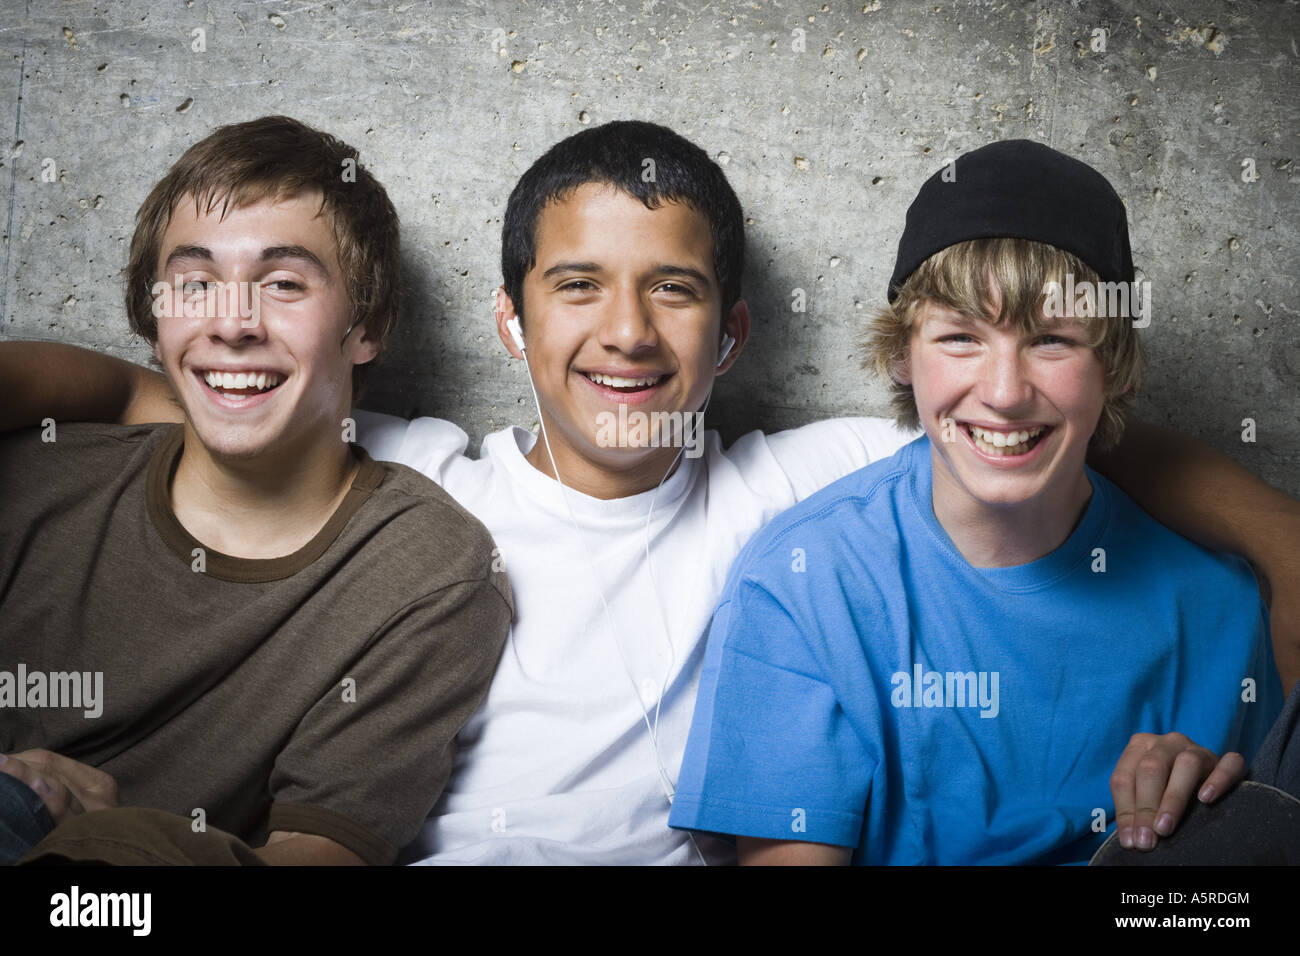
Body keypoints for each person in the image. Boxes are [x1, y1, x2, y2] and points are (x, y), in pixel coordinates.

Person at [3, 124, 1298, 865]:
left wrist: (1283, 542)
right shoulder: (399, 467)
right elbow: (140, 394)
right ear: (510, 324)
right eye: (576, 288)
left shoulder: (807, 485)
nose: (624, 333)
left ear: (731, 336)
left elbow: (1033, 421)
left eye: (670, 291)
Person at [666, 139, 1292, 865]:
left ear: (1114, 368)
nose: (1003, 391)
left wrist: (1207, 831)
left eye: (1053, 341)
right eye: (960, 337)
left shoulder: (1223, 606)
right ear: (903, 355)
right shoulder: (804, 584)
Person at [0, 116, 512, 866]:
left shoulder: (425, 573)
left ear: (366, 324)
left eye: (282, 284)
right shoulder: (42, 475)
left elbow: (318, 855)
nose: (232, 324)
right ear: (154, 318)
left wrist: (106, 844)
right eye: (195, 283)